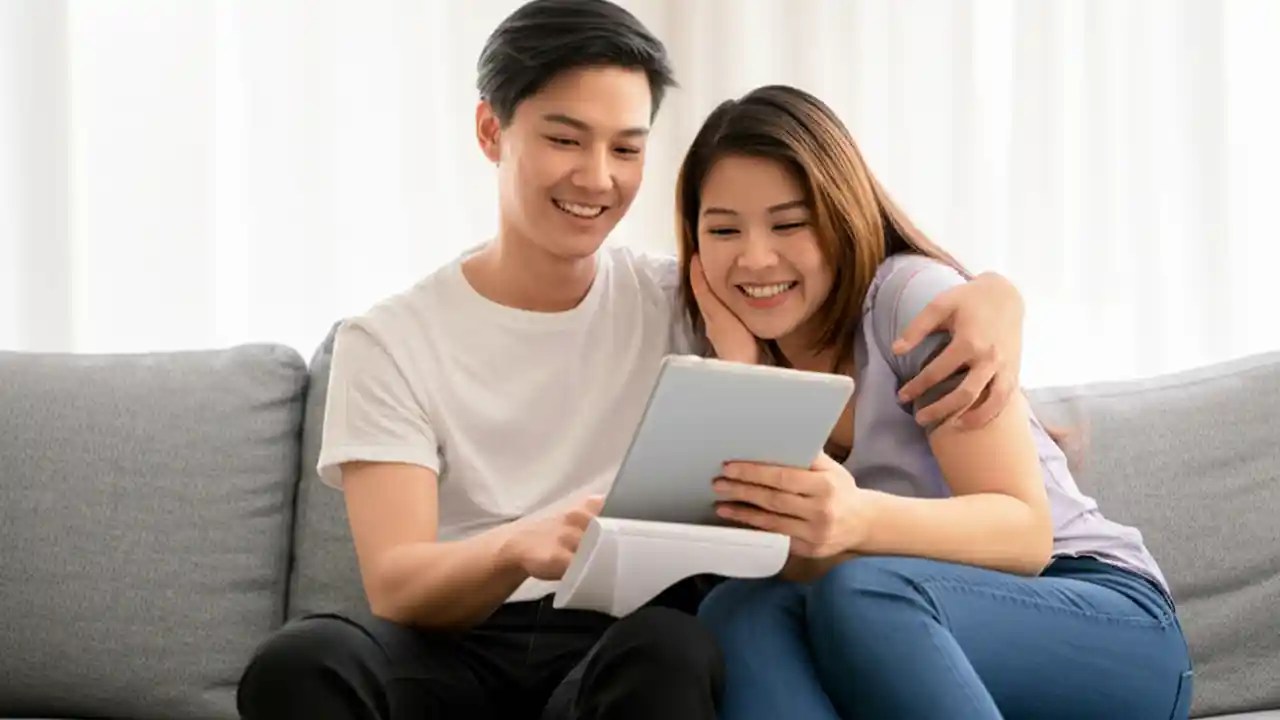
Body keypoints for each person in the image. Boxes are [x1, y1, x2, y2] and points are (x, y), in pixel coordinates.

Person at [236, 2, 1029, 718]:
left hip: (623, 643)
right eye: (564, 139)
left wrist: (995, 294)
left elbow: (827, 290)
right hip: (457, 643)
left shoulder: (679, 295)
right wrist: (517, 546)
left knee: (675, 650)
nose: (598, 178)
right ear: (491, 132)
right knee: (302, 663)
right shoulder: (389, 340)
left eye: (627, 147)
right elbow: (399, 582)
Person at [679, 84, 1195, 720]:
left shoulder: (911, 303)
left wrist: (856, 517)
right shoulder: (729, 350)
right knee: (739, 611)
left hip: (1099, 615)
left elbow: (1026, 535)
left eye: (789, 223)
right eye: (724, 229)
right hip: (919, 627)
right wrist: (742, 374)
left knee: (863, 590)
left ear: (841, 215)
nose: (755, 257)